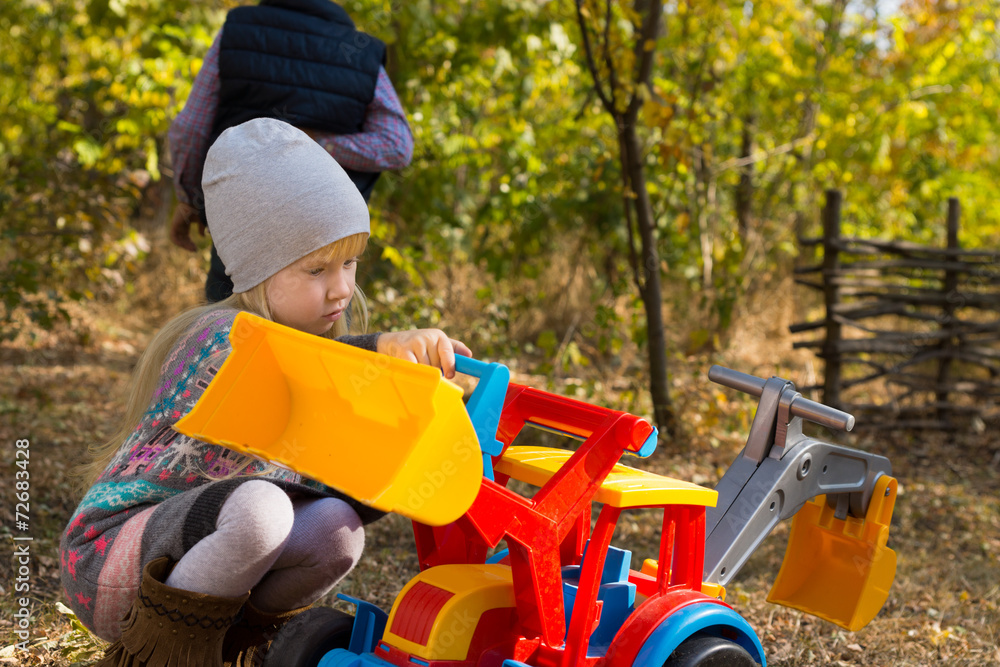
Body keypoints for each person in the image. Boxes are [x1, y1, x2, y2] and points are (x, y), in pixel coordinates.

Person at [61, 118, 468, 667]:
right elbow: (283, 371)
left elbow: (350, 485)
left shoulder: (312, 352)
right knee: (262, 509)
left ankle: (223, 647)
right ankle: (164, 656)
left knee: (335, 531)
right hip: (113, 560)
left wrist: (418, 402)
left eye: (350, 262)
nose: (343, 287)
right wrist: (383, 353)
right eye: (317, 268)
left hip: (202, 560)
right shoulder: (218, 342)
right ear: (256, 272)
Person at [168, 0, 413, 302]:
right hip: (328, 223)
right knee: (325, 334)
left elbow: (190, 130)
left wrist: (190, 200)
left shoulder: (238, 32)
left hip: (244, 214)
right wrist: (322, 146)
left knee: (228, 327)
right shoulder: (361, 52)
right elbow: (396, 145)